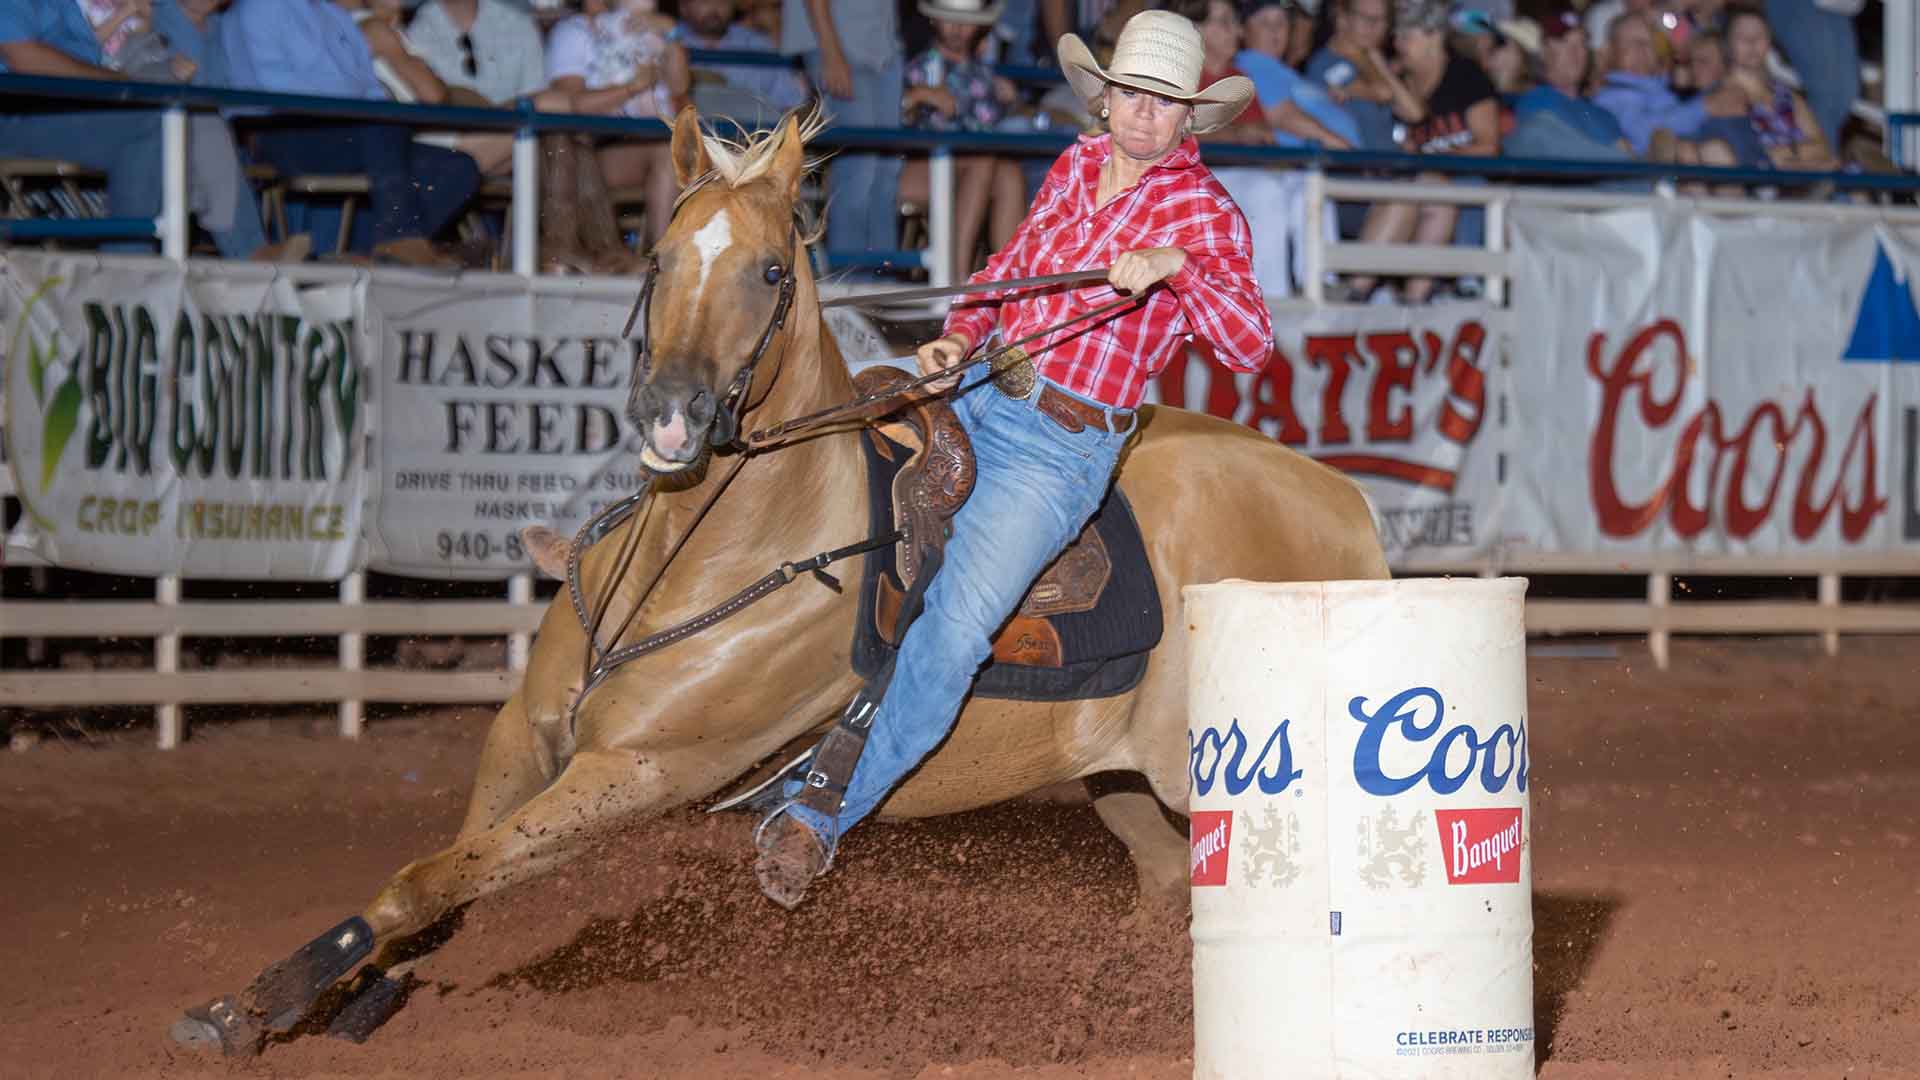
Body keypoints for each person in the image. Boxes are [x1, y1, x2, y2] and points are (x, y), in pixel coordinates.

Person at [752, 9, 1273, 909]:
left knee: (955, 629)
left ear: (1190, 119)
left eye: (1165, 103)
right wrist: (959, 336)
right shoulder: (1074, 166)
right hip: (982, 388)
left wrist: (1180, 266)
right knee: (819, 463)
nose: (1145, 114)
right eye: (1133, 94)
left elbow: (1251, 344)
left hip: (1059, 446)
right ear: (1105, 98)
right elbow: (1008, 274)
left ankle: (818, 815)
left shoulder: (1204, 210)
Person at [0, 0, 300, 261]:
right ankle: (133, 268)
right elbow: (23, 56)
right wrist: (117, 83)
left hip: (73, 107)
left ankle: (243, 251)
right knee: (157, 115)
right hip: (21, 111)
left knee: (186, 109)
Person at [220, 0, 481, 267]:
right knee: (382, 121)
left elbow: (371, 89)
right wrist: (354, 101)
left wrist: (363, 104)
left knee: (458, 168)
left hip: (348, 129)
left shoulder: (333, 15)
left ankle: (363, 254)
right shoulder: (258, 8)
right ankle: (398, 238)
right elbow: (273, 89)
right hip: (282, 132)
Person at [1338, 0, 1498, 304]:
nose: (1397, 44)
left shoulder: (1467, 77)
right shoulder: (1401, 80)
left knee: (1445, 189)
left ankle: (1435, 289)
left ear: (1433, 37)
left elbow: (1488, 146)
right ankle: (1389, 295)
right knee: (1413, 191)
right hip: (1418, 186)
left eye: (1406, 36)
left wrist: (1439, 161)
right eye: (1396, 37)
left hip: (1460, 180)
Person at [900, 0, 1028, 285]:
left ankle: (1008, 284)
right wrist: (915, 96)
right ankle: (956, 280)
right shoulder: (916, 67)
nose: (958, 29)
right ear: (935, 21)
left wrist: (1014, 102)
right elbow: (890, 114)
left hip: (971, 171)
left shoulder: (986, 76)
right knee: (987, 162)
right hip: (916, 167)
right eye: (949, 19)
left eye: (966, 21)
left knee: (1009, 172)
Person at [545, 0, 691, 251]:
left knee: (675, 153)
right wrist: (631, 88)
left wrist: (672, 34)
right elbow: (569, 105)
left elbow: (680, 87)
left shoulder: (650, 28)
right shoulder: (572, 32)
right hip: (584, 154)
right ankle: (662, 261)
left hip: (642, 144)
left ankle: (663, 259)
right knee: (669, 153)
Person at [782, 0, 905, 269]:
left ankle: (882, 274)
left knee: (886, 169)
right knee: (860, 167)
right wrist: (830, 50)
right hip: (839, 43)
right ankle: (852, 278)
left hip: (881, 43)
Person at [1716, 7, 1838, 170]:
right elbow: (1751, 157)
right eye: (1741, 36)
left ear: (1769, 41)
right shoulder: (1719, 96)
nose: (1751, 42)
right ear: (1727, 44)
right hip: (1760, 185)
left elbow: (1823, 147)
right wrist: (1803, 156)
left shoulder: (1788, 96)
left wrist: (1787, 155)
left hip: (1805, 176)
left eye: (1759, 35)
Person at [1237, 0, 1358, 149]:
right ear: (1243, 29)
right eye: (1264, 22)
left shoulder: (1280, 70)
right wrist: (1343, 149)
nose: (1275, 30)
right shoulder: (1253, 64)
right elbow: (1283, 117)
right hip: (1318, 163)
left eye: (1281, 22)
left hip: (1335, 163)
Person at [671, 0, 808, 130]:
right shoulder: (664, 43)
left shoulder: (758, 46)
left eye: (723, 1)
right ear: (683, 7)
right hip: (693, 143)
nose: (714, 7)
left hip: (755, 144)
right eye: (705, 0)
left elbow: (793, 105)